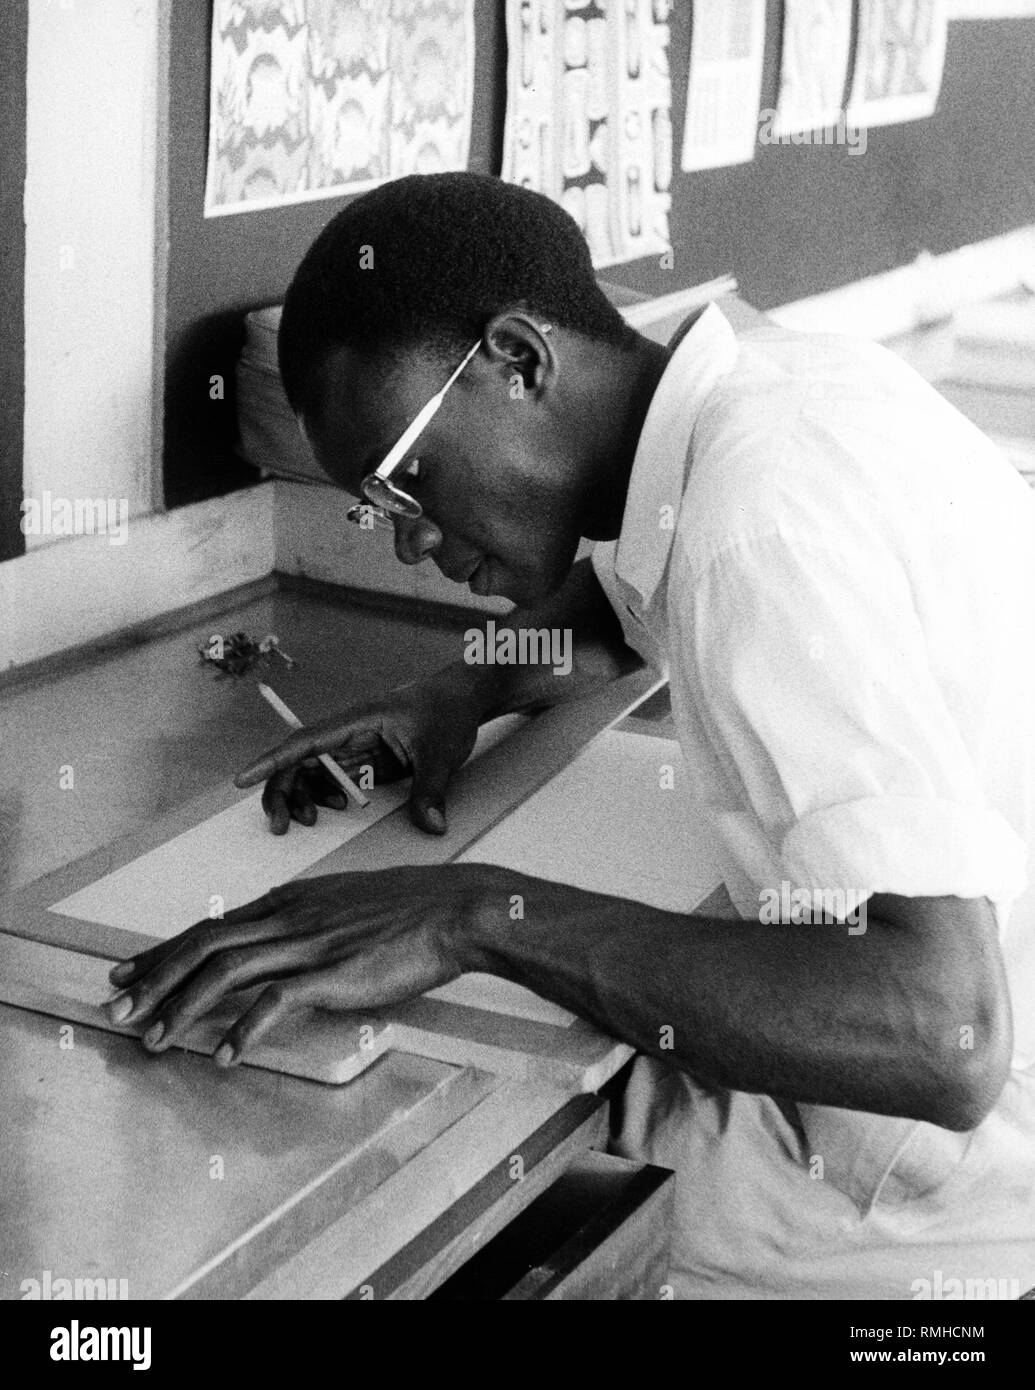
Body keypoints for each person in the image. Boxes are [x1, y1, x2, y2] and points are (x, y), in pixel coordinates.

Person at [108, 173, 1035, 1298]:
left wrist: (474, 915)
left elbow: (944, 1031)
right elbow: (625, 602)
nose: (406, 546)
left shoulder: (758, 524)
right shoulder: (767, 390)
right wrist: (460, 690)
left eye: (404, 484)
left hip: (951, 1191)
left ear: (517, 359)